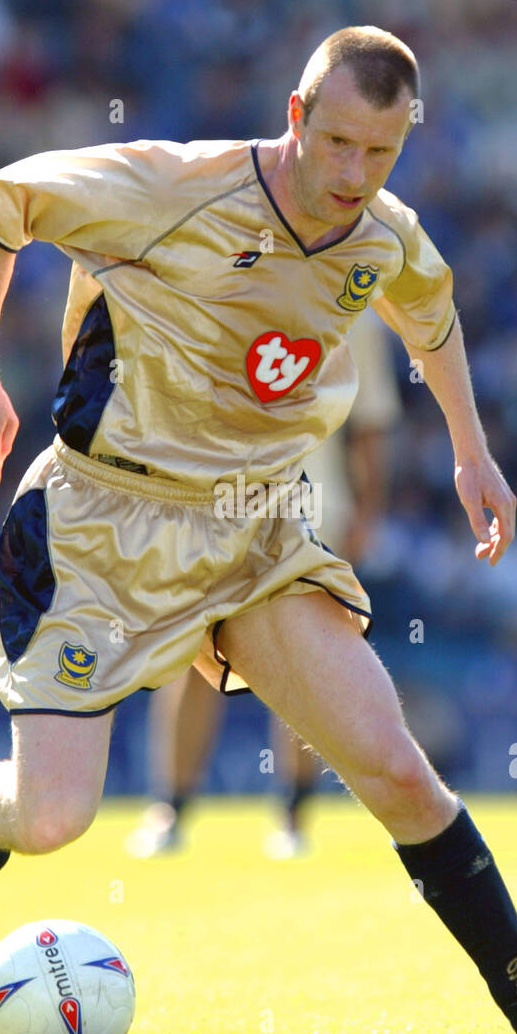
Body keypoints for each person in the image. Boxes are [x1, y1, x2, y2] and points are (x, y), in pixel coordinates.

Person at [0, 26, 517, 1034]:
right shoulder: (170, 185)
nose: (351, 174)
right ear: (295, 115)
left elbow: (433, 314)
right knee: (54, 815)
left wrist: (471, 451)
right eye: (334, 144)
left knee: (397, 771)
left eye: (378, 154)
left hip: (254, 532)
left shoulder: (382, 236)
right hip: (102, 524)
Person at [128, 307, 402, 859]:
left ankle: (292, 812)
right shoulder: (224, 282)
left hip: (311, 508)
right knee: (192, 657)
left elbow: (369, 423)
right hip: (215, 504)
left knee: (301, 665)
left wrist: (367, 512)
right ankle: (172, 807)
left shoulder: (353, 312)